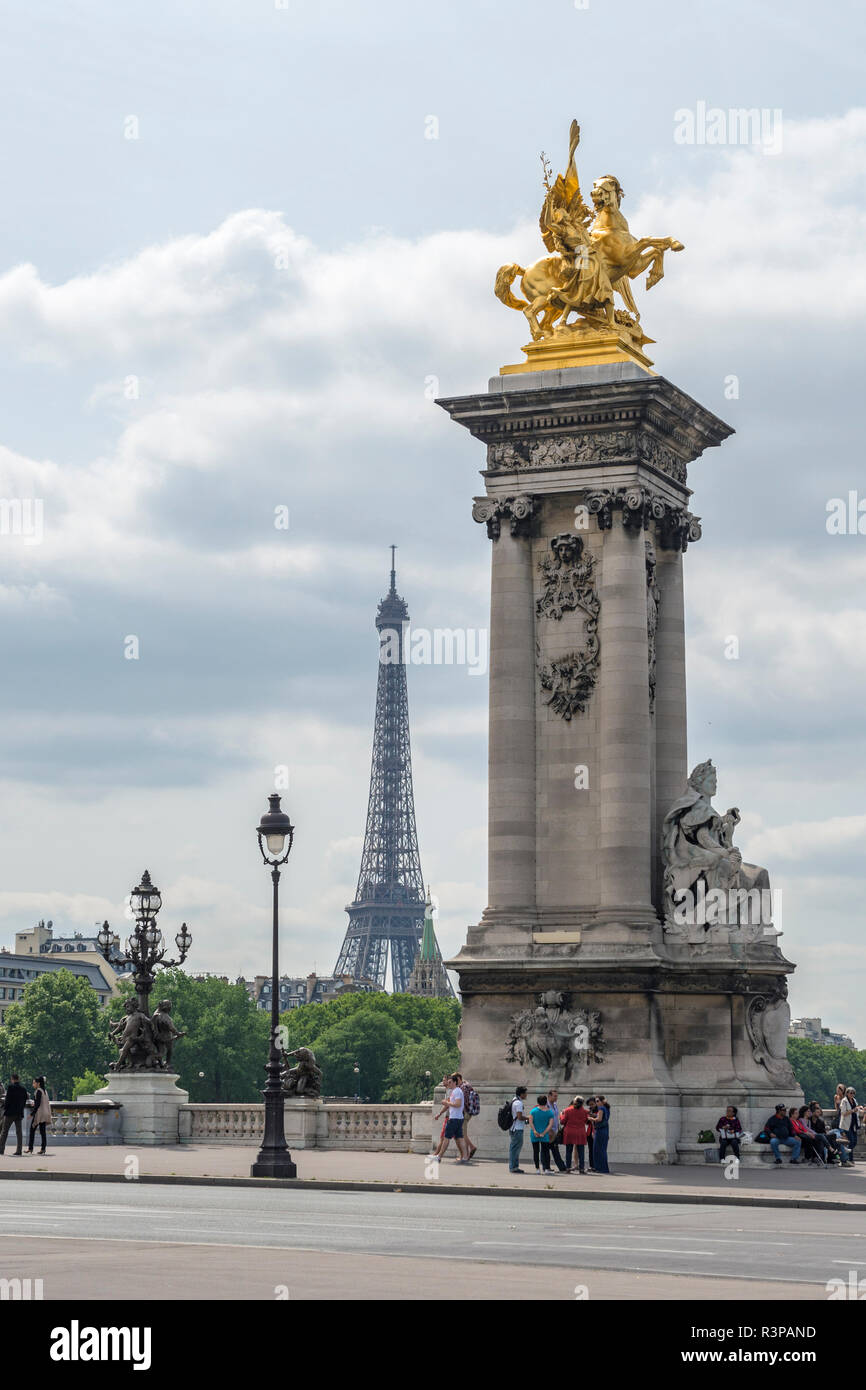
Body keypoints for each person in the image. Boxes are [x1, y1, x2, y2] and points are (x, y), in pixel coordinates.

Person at [0, 1075, 29, 1156]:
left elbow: (7, 1100)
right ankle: (19, 1150)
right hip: (19, 1113)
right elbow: (25, 1100)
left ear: (12, 1079)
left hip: (10, 1113)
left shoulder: (10, 1087)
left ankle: (1, 1149)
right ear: (18, 1079)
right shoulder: (23, 1089)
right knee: (19, 1133)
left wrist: (5, 1108)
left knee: (4, 1132)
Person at [443, 1074, 469, 1163]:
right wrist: (447, 1103)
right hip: (457, 1117)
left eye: (450, 1082)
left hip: (454, 1118)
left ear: (455, 1082)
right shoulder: (455, 1091)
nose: (448, 1084)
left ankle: (438, 1156)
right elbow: (453, 1103)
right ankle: (465, 1157)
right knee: (460, 1138)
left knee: (446, 1137)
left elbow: (458, 1104)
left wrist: (447, 1103)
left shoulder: (457, 1091)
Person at [560, 1094, 590, 1172]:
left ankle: (568, 1168)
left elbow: (562, 1122)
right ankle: (581, 1168)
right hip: (580, 1132)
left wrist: (561, 1115)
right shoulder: (585, 1112)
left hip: (569, 1132)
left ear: (574, 1101)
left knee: (568, 1151)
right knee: (581, 1152)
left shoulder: (567, 1110)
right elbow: (587, 1121)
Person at [455, 1072, 478, 1160]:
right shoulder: (467, 1085)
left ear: (459, 1079)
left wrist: (462, 1112)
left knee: (462, 1134)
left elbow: (463, 1101)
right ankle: (467, 1153)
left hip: (465, 1112)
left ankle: (469, 1151)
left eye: (455, 1080)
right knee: (462, 1133)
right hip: (468, 1112)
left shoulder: (463, 1087)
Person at [529, 1094, 556, 1173]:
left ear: (538, 1101)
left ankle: (537, 1169)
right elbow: (550, 1125)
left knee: (536, 1151)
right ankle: (547, 1168)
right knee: (546, 1152)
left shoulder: (533, 1111)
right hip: (545, 1135)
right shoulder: (549, 1112)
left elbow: (531, 1122)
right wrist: (544, 1133)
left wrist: (534, 1131)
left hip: (535, 1134)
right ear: (546, 1102)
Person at [546, 1087, 568, 1173]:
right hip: (548, 1131)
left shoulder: (554, 1105)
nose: (556, 1098)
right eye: (554, 1096)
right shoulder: (546, 1105)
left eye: (557, 1096)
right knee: (546, 1150)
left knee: (555, 1149)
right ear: (549, 1096)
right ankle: (546, 1167)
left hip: (555, 1131)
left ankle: (562, 1167)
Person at [27, 1077, 51, 1156]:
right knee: (43, 1132)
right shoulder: (45, 1091)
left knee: (32, 1130)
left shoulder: (38, 1091)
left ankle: (30, 1148)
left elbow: (37, 1105)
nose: (33, 1084)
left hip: (39, 1114)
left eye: (34, 1083)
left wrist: (31, 1114)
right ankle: (43, 1148)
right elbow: (41, 1102)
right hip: (45, 1113)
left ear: (38, 1083)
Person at [509, 1085, 528, 1173]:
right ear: (521, 1094)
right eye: (525, 1093)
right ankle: (513, 1167)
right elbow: (519, 1117)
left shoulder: (514, 1100)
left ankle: (514, 1166)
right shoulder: (519, 1103)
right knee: (515, 1149)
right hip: (517, 1128)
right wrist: (528, 1118)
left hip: (513, 1128)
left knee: (514, 1148)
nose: (526, 1095)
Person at [590, 1096, 611, 1173]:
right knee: (602, 1150)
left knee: (597, 1150)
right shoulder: (606, 1108)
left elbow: (599, 1119)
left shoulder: (601, 1108)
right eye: (596, 1101)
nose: (597, 1103)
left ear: (602, 1101)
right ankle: (603, 1168)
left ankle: (599, 1168)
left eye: (598, 1101)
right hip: (605, 1130)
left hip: (600, 1131)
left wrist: (591, 1118)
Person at [840, 1087, 859, 1163]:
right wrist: (853, 1110)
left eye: (853, 1093)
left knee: (855, 1141)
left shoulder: (854, 1100)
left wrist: (859, 1108)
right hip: (846, 1124)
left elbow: (856, 1109)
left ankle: (846, 1154)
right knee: (851, 1141)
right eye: (851, 1093)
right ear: (847, 1093)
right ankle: (850, 1159)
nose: (852, 1094)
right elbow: (843, 1113)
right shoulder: (844, 1101)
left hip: (854, 1124)